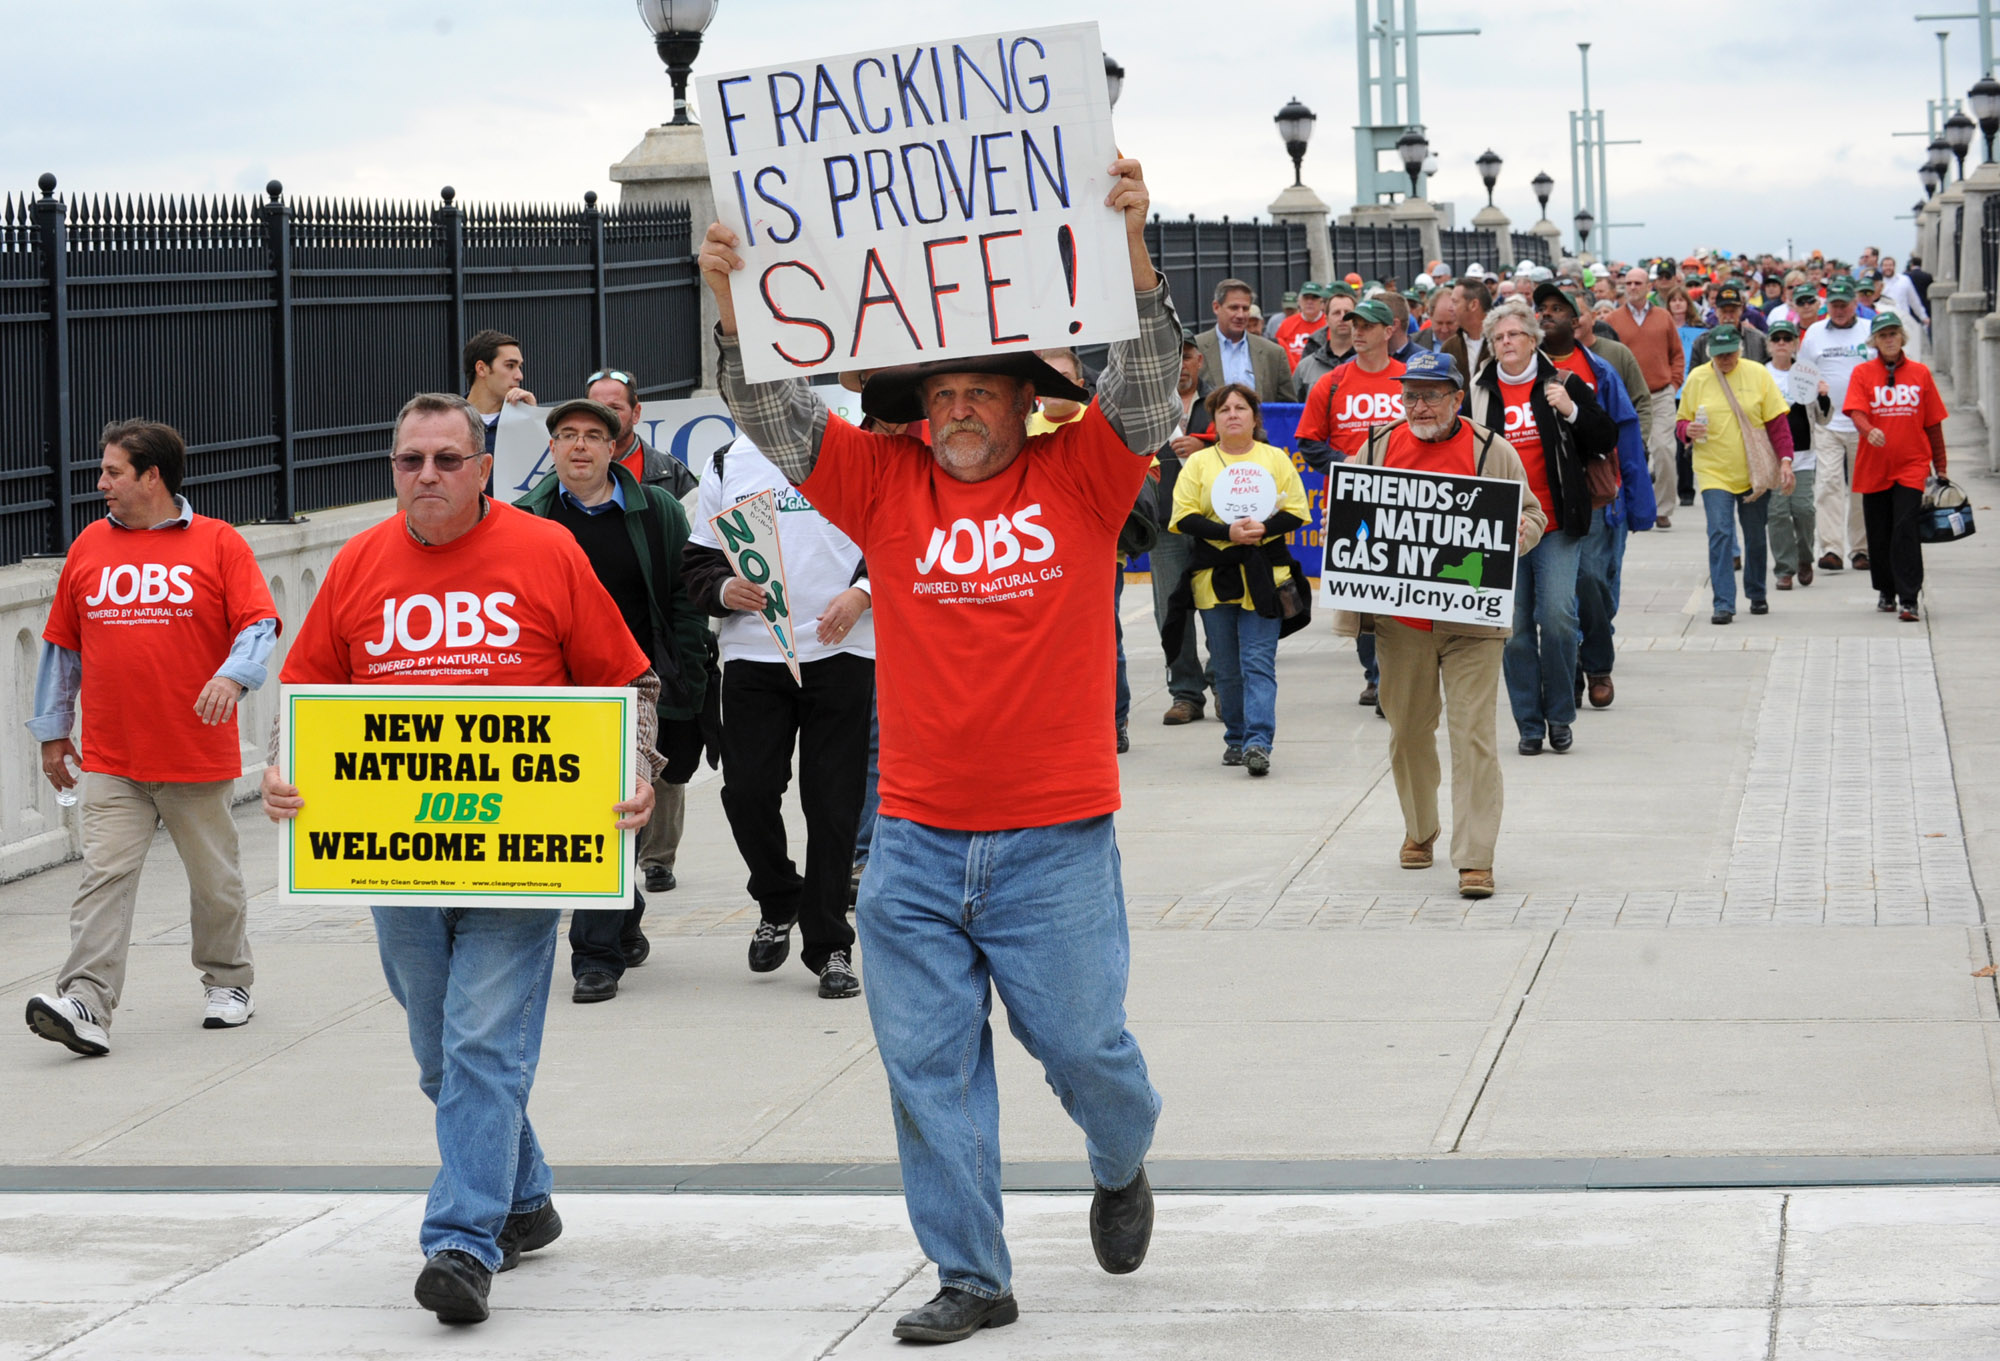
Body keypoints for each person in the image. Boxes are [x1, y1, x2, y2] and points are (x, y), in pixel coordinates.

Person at [698, 152, 1178, 1344]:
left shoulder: (1082, 475)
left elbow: (1148, 393)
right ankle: (972, 1272)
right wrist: (731, 301)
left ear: (1025, 402)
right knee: (926, 1068)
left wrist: (1131, 244)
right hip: (911, 841)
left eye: (981, 391)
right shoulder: (880, 481)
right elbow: (774, 414)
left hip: (1054, 841)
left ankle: (1119, 1157)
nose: (959, 408)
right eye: (942, 392)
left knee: (1086, 1050)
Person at [261, 392, 660, 1324]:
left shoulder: (547, 551)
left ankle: (461, 1242)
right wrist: (284, 768)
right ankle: (526, 1195)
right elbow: (307, 692)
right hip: (394, 856)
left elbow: (628, 682)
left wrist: (637, 769)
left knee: (482, 1040)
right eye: (412, 460)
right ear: (393, 469)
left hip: (524, 857)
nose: (428, 475)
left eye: (447, 459)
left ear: (483, 469)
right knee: (442, 1052)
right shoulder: (358, 561)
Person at [24, 421, 278, 1057]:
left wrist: (233, 675)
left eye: (113, 472)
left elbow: (259, 623)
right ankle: (86, 1003)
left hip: (194, 753)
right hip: (113, 757)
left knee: (214, 882)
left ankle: (229, 981)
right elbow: (62, 648)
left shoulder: (218, 543)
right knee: (102, 878)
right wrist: (54, 732)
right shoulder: (88, 546)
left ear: (152, 476)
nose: (101, 483)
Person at [514, 398, 709, 1004]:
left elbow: (683, 598)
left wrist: (686, 681)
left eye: (593, 436)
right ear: (552, 449)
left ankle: (595, 958)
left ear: (613, 447)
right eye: (568, 435)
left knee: (615, 813)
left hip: (633, 689)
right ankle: (622, 914)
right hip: (556, 697)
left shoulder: (657, 510)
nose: (580, 446)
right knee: (574, 822)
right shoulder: (525, 519)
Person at [1335, 351, 1546, 900]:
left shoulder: (1492, 450)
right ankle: (1420, 828)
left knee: (1473, 735)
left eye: (1431, 395)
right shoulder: (1378, 447)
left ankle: (1475, 857)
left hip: (1474, 622)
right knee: (1407, 731)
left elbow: (1533, 513)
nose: (1420, 405)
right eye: (1411, 395)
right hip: (1402, 621)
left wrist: (1518, 535)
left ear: (1457, 398)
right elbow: (1352, 515)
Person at [683, 426, 871, 999]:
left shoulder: (848, 445)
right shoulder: (725, 461)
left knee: (833, 804)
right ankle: (778, 895)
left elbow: (898, 535)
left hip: (843, 650)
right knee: (747, 792)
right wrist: (722, 589)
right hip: (754, 654)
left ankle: (830, 943)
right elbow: (699, 559)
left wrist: (863, 592)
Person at [1467, 299, 1616, 755]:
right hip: (1501, 528)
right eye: (1498, 338)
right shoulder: (1478, 392)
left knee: (1557, 619)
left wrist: (1571, 410)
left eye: (1514, 334)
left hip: (1556, 522)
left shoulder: (1563, 382)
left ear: (1533, 339)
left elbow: (1605, 436)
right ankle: (1529, 724)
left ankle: (1560, 715)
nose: (1506, 342)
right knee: (1511, 629)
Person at [580, 368, 705, 895]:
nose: (606, 415)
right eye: (596, 406)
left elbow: (692, 561)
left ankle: (658, 857)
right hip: (588, 651)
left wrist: (690, 655)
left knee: (665, 754)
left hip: (652, 642)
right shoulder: (555, 488)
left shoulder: (669, 477)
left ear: (635, 413)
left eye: (615, 406)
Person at [1167, 384, 1310, 775]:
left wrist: (1264, 529)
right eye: (1224, 409)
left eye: (1240, 408)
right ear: (1213, 420)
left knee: (1258, 662)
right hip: (1215, 580)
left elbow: (1297, 510)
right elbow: (1183, 516)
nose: (1232, 414)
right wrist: (1226, 533)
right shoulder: (1199, 464)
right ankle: (1236, 736)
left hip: (1267, 578)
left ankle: (1258, 741)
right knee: (1227, 668)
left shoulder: (1275, 458)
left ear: (1254, 417)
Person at [1296, 297, 1407, 706]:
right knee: (1362, 596)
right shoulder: (1333, 383)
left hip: (1404, 500)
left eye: (1367, 326)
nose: (1357, 332)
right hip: (1352, 501)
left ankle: (1392, 676)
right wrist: (1349, 464)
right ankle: (1375, 674)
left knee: (1399, 590)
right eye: (1354, 324)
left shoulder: (1409, 379)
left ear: (1389, 331)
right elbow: (1309, 443)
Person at [1549, 286, 1656, 711]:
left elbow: (1623, 434)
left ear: (1578, 320)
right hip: (1543, 494)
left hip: (1593, 493)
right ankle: (1573, 669)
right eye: (1543, 309)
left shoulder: (1601, 369)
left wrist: (1638, 502)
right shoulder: (1524, 369)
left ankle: (1597, 663)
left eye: (1559, 309)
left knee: (1592, 578)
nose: (1548, 315)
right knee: (1555, 594)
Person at [1677, 326, 1796, 624]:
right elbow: (1681, 422)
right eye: (1719, 356)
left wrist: (1785, 460)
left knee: (1755, 536)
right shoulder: (1698, 378)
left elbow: (1777, 424)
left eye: (1730, 353)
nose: (1725, 360)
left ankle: (1756, 592)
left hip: (1754, 472)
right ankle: (1723, 603)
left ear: (1740, 349)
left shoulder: (1758, 374)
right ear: (1710, 354)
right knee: (1720, 533)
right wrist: (1688, 430)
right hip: (1713, 470)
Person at [1843, 313, 1947, 620]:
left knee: (1905, 530)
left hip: (1912, 465)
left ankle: (1909, 597)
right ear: (1874, 341)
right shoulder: (1863, 373)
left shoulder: (1920, 373)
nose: (1889, 340)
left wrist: (1941, 467)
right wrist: (1868, 430)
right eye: (1883, 335)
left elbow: (1933, 423)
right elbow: (1856, 411)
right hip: (1875, 465)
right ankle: (1886, 591)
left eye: (1893, 334)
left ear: (1902, 337)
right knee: (1879, 531)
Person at [1154, 333, 1216, 726]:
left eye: (1187, 356)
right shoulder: (1150, 406)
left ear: (1199, 361)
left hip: (1214, 523)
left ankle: (1225, 687)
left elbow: (1250, 445)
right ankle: (1185, 693)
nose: (1180, 365)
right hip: (1166, 523)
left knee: (1219, 607)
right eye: (1173, 357)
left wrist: (1205, 448)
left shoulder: (1221, 402)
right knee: (1171, 612)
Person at [1798, 276, 1874, 573]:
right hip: (1827, 422)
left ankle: (1861, 549)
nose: (1839, 310)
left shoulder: (1869, 330)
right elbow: (1802, 374)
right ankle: (1831, 548)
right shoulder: (1815, 333)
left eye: (1844, 304)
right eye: (1834, 305)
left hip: (1863, 423)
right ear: (1826, 306)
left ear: (1855, 304)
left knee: (1861, 488)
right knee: (1828, 484)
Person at [1607, 266, 1687, 528]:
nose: (1632, 287)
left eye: (1637, 283)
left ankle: (1662, 509)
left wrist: (1674, 384)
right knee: (1629, 453)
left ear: (1648, 287)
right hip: (1628, 397)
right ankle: (1630, 505)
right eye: (1628, 283)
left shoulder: (1663, 317)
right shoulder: (1613, 320)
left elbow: (1677, 354)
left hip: (1661, 394)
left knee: (1664, 450)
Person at [1764, 320, 1827, 590]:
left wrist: (1823, 397)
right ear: (1769, 344)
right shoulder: (1760, 374)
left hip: (1803, 455)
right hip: (1771, 456)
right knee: (1777, 513)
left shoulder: (1806, 373)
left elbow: (1823, 418)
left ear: (1795, 344)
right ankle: (1784, 568)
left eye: (1787, 339)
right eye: (1776, 338)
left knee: (1804, 510)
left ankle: (1805, 557)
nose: (1781, 343)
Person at [1195, 279, 1295, 401]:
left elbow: (1287, 408)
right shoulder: (1195, 349)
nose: (1240, 315)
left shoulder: (1273, 353)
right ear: (1216, 307)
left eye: (1245, 308)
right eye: (1234, 308)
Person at [462, 329, 536, 452]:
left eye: (519, 367)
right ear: (481, 369)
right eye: (510, 365)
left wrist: (534, 419)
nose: (519, 376)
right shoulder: (447, 420)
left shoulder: (522, 421)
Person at [1292, 286, 1357, 396]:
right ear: (1326, 319)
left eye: (1347, 312)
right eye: (1336, 313)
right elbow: (1292, 405)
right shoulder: (1305, 367)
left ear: (1356, 318)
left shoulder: (1369, 363)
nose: (1342, 317)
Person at [1690, 282, 1771, 366]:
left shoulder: (1759, 340)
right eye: (1724, 311)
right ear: (1716, 311)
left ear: (1741, 310)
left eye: (1732, 311)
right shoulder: (1702, 342)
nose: (1728, 317)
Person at [1442, 278, 1494, 379]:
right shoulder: (1449, 347)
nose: (1450, 308)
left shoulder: (1502, 342)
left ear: (1473, 305)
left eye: (1455, 302)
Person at [1272, 280, 1330, 369]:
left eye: (1314, 298)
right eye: (1306, 298)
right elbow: (1277, 352)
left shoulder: (1328, 323)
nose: (1309, 302)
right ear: (1299, 301)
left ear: (1322, 303)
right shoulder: (1287, 323)